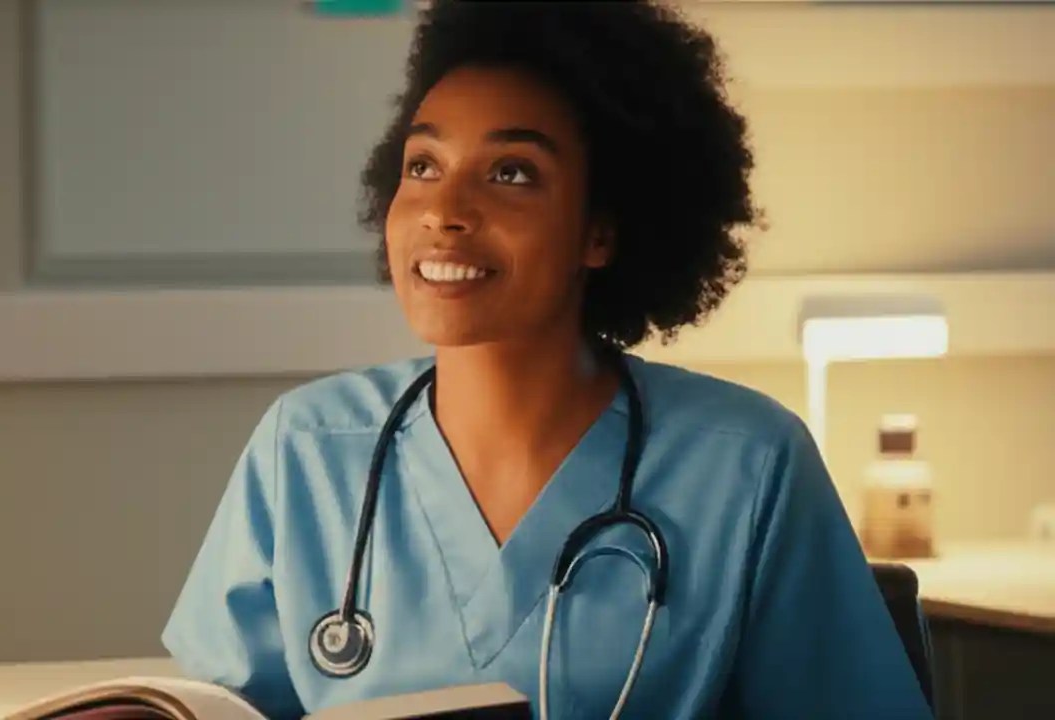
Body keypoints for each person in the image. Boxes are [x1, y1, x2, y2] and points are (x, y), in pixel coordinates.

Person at [161, 2, 934, 718]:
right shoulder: (305, 449)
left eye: (511, 174)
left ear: (600, 232)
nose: (444, 210)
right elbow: (214, 706)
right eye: (423, 166)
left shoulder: (747, 465)